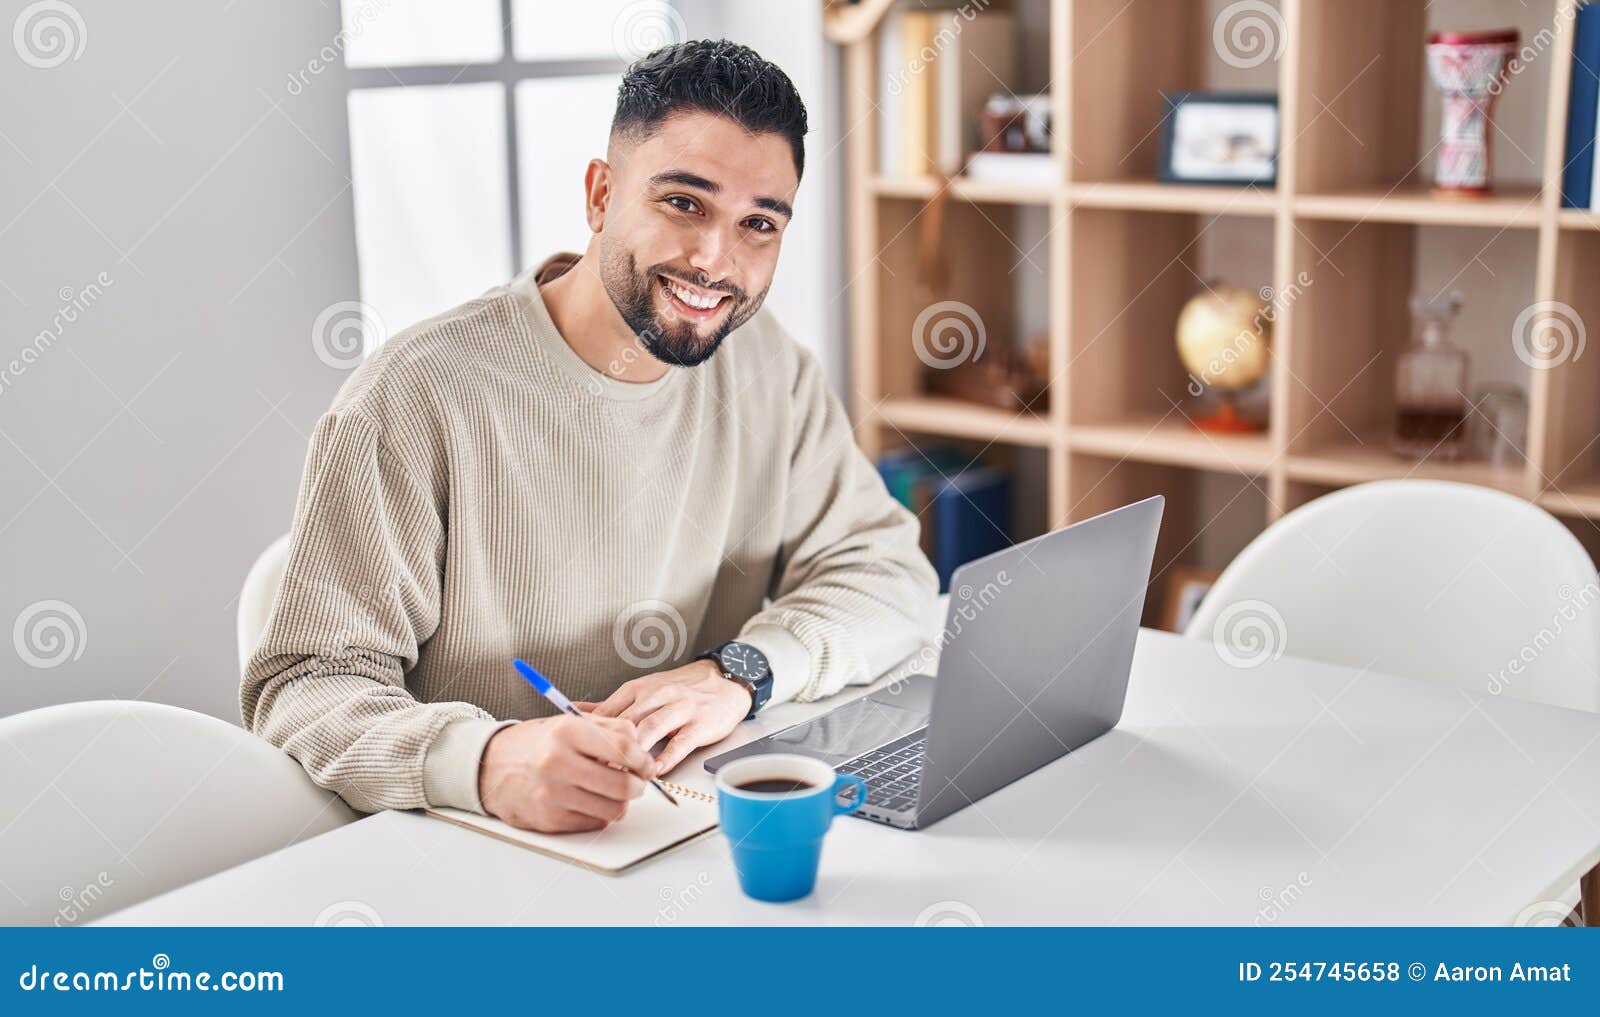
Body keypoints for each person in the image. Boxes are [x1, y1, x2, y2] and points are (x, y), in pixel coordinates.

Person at [241, 39, 937, 834]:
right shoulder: (413, 398)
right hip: (479, 856)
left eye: (758, 224)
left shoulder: (767, 364)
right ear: (602, 195)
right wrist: (486, 759)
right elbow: (305, 684)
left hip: (682, 837)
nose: (714, 260)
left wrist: (741, 672)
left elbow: (888, 570)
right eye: (684, 203)